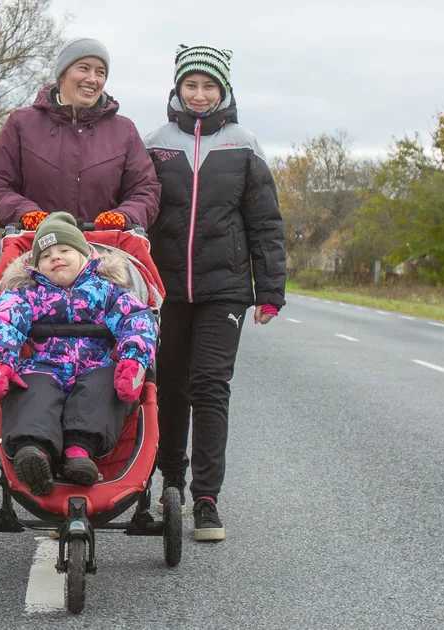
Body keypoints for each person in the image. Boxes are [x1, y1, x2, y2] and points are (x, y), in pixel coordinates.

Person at [144, 45, 287, 542]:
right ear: (178, 88)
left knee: (209, 387)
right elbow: (140, 211)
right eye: (191, 85)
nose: (200, 95)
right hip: (164, 288)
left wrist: (270, 290)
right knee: (168, 387)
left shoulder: (244, 145)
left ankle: (206, 499)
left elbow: (265, 222)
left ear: (223, 90)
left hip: (224, 288)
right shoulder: (155, 143)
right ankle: (171, 485)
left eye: (209, 86)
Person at [0, 212, 157, 495]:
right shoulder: (27, 294)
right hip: (43, 366)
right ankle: (35, 452)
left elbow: (136, 319)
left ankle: (79, 451)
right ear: (36, 265)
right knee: (29, 389)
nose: (55, 258)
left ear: (84, 256)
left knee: (104, 386)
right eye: (45, 255)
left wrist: (133, 360)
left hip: (94, 366)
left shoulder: (106, 291)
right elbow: (3, 322)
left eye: (64, 250)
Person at [0, 37, 160, 231]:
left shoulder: (125, 131)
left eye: (100, 72)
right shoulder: (20, 123)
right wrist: (24, 213)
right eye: (84, 68)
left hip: (106, 248)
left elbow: (145, 191)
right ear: (62, 74)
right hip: (35, 246)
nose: (92, 79)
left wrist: (125, 216)